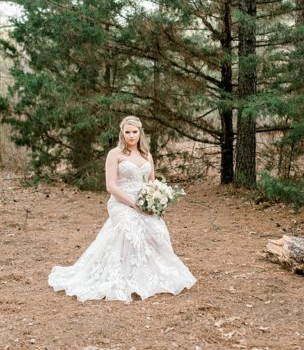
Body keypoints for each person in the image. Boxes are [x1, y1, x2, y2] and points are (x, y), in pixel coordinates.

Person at [48, 115, 196, 302]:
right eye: (128, 132)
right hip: (120, 202)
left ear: (140, 133)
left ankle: (149, 275)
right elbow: (111, 186)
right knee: (131, 228)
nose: (131, 136)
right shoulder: (115, 154)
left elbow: (152, 183)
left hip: (144, 202)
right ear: (122, 133)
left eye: (135, 132)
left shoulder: (146, 155)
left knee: (157, 230)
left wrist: (155, 201)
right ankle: (120, 276)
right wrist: (134, 205)